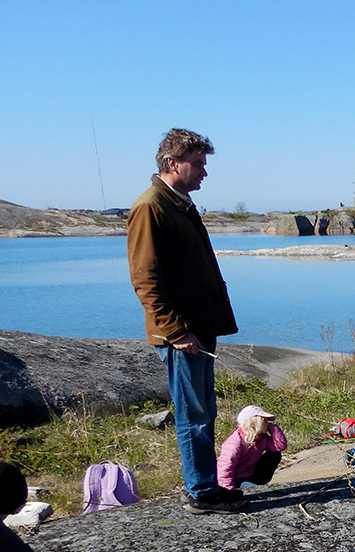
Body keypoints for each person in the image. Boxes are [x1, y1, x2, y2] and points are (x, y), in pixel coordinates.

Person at [128, 128, 244, 515]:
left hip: (199, 328)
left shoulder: (178, 203)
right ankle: (201, 491)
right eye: (197, 164)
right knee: (193, 413)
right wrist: (176, 331)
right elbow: (145, 278)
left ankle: (207, 485)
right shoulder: (151, 206)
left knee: (204, 410)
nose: (204, 173)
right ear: (171, 163)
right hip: (181, 334)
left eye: (203, 164)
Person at [217, 405, 288, 489]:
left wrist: (273, 428)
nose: (267, 423)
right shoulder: (234, 443)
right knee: (237, 480)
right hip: (235, 478)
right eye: (264, 420)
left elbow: (280, 446)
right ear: (255, 423)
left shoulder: (261, 438)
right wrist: (229, 490)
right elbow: (225, 468)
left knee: (274, 455)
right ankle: (241, 486)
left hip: (249, 473)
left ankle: (256, 484)